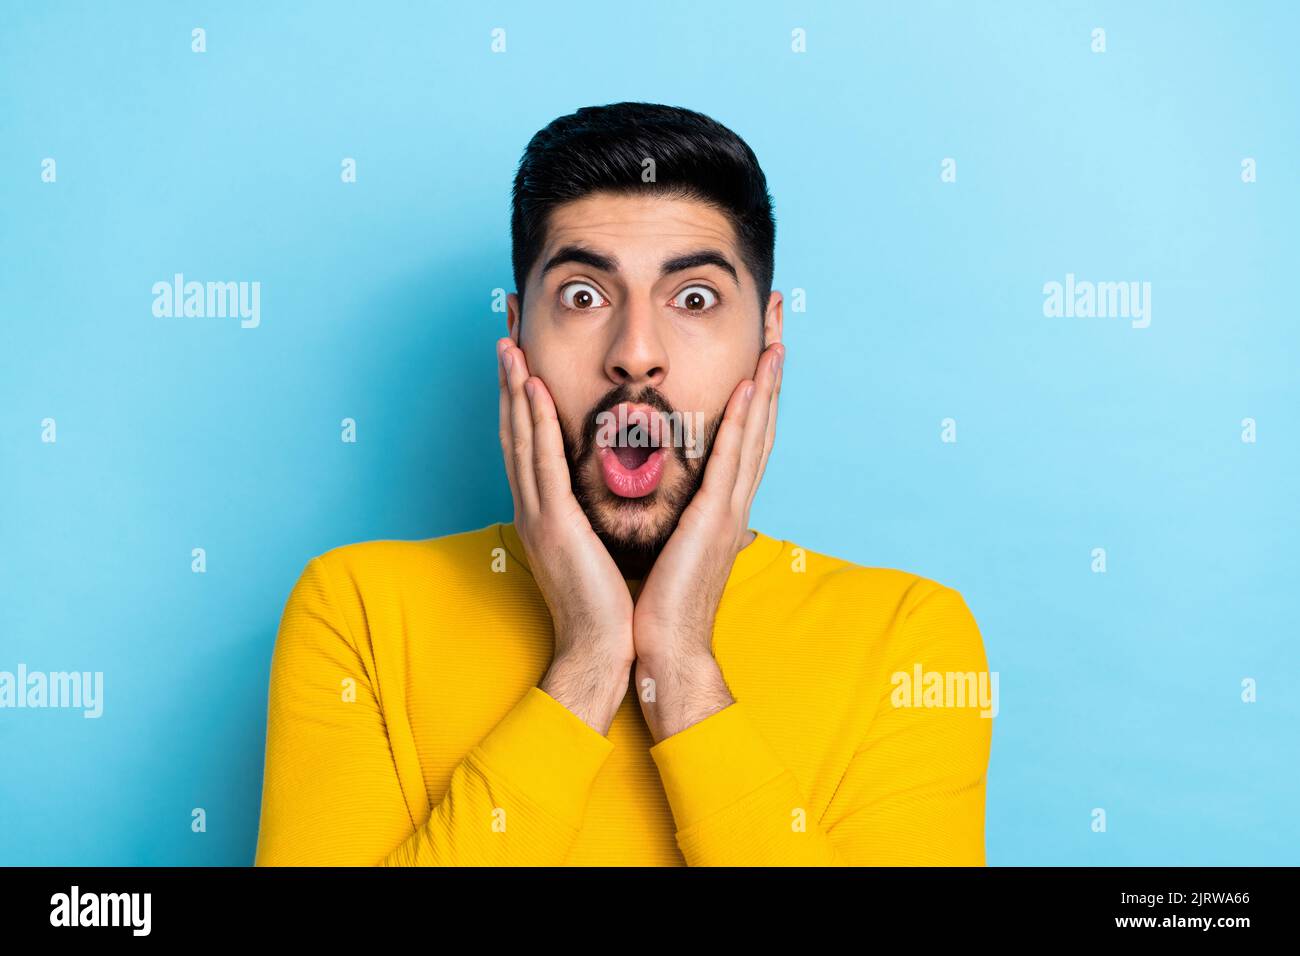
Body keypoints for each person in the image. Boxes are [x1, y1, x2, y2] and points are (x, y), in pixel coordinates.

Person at [253, 102, 993, 866]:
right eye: (583, 295)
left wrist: (680, 666)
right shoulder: (358, 611)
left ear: (769, 334)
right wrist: (589, 662)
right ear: (516, 334)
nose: (636, 353)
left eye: (695, 298)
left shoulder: (910, 639)